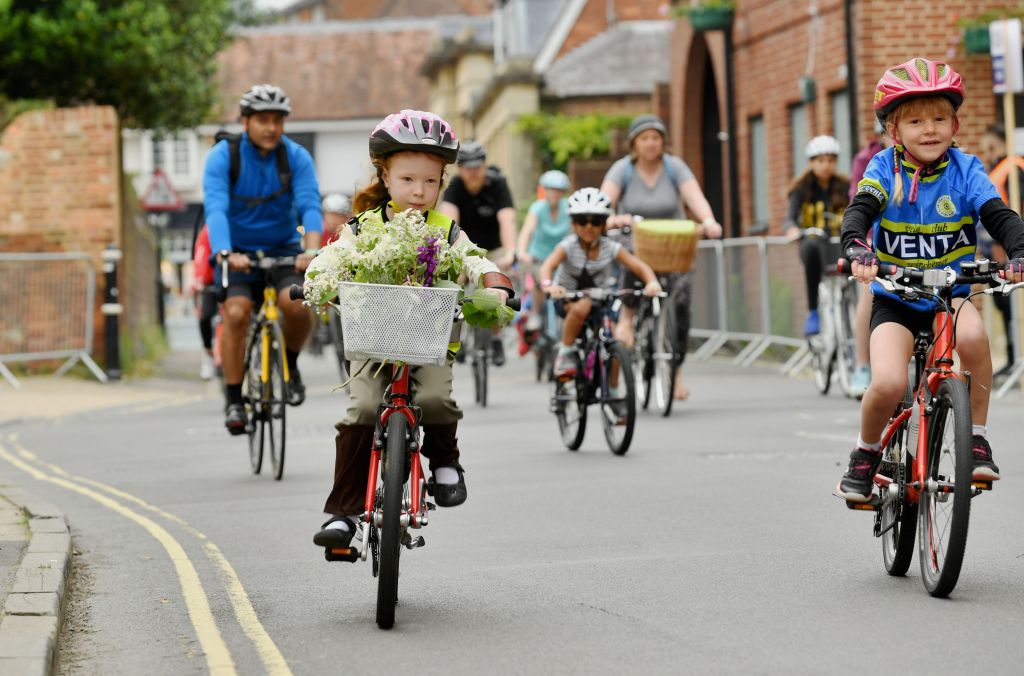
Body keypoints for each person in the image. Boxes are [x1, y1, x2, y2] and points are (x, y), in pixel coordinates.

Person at [313, 110, 515, 550]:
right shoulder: (364, 226)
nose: (419, 192)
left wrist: (494, 283)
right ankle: (344, 514)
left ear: (442, 182)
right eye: (407, 180)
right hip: (372, 338)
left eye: (430, 181)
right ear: (384, 177)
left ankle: (446, 461)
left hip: (431, 340)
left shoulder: (446, 230)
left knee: (434, 397)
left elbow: (475, 259)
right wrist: (320, 277)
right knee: (363, 408)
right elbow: (334, 254)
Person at [836, 58, 1024, 502]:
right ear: (894, 130)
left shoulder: (967, 169)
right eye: (916, 120)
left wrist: (1018, 250)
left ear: (955, 124)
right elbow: (860, 210)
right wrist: (857, 246)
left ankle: (975, 438)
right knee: (887, 383)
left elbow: (998, 216)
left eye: (940, 118)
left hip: (951, 296)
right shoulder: (885, 168)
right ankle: (865, 454)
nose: (930, 129)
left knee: (975, 338)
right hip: (897, 300)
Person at [203, 84, 323, 434]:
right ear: (245, 121)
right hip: (237, 252)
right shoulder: (224, 155)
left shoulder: (295, 156)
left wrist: (311, 251)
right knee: (237, 313)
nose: (271, 128)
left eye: (278, 120)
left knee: (298, 306)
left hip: (284, 250)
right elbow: (215, 207)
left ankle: (289, 363)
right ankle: (233, 400)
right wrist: (225, 251)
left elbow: (309, 205)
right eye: (263, 120)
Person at [600, 113, 722, 401]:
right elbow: (605, 202)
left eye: (656, 137)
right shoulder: (623, 170)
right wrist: (611, 219)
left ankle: (675, 372)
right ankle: (628, 316)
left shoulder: (674, 167)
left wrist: (708, 220)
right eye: (645, 138)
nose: (651, 143)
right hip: (637, 240)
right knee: (629, 256)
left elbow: (694, 197)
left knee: (680, 306)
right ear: (634, 143)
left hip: (674, 243)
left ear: (663, 142)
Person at [439, 140, 518, 365]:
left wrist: (511, 251)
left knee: (497, 282)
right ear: (460, 168)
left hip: (494, 247)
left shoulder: (498, 184)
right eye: (467, 167)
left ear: (484, 165)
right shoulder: (454, 187)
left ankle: (495, 338)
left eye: (477, 166)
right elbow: (449, 221)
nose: (473, 172)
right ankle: (459, 335)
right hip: (465, 247)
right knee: (457, 281)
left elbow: (507, 219)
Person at [783, 135, 851, 337]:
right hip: (813, 243)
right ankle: (813, 311)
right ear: (811, 163)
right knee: (811, 249)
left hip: (838, 243)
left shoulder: (845, 186)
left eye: (830, 161)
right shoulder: (801, 189)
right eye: (820, 161)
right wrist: (793, 229)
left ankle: (854, 313)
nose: (825, 166)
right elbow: (790, 218)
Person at [845, 121, 893, 397]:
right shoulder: (868, 161)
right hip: (876, 239)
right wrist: (861, 247)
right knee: (869, 293)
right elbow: (859, 201)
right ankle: (863, 364)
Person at [979, 122, 1024, 378]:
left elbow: (1012, 212)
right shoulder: (996, 169)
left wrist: (1003, 249)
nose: (988, 152)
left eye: (991, 147)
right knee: (1002, 304)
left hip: (1006, 250)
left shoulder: (1012, 168)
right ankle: (1010, 354)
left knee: (1009, 305)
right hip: (994, 248)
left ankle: (1014, 353)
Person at [515, 170, 571, 352]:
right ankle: (536, 314)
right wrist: (522, 251)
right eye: (550, 190)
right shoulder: (537, 208)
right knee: (540, 283)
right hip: (538, 257)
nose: (554, 194)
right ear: (544, 191)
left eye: (558, 190)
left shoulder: (568, 208)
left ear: (563, 192)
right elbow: (527, 231)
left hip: (561, 258)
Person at [191, 224, 217, 380]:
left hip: (234, 278)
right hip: (210, 281)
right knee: (205, 317)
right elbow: (201, 255)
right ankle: (208, 352)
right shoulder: (207, 232)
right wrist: (199, 278)